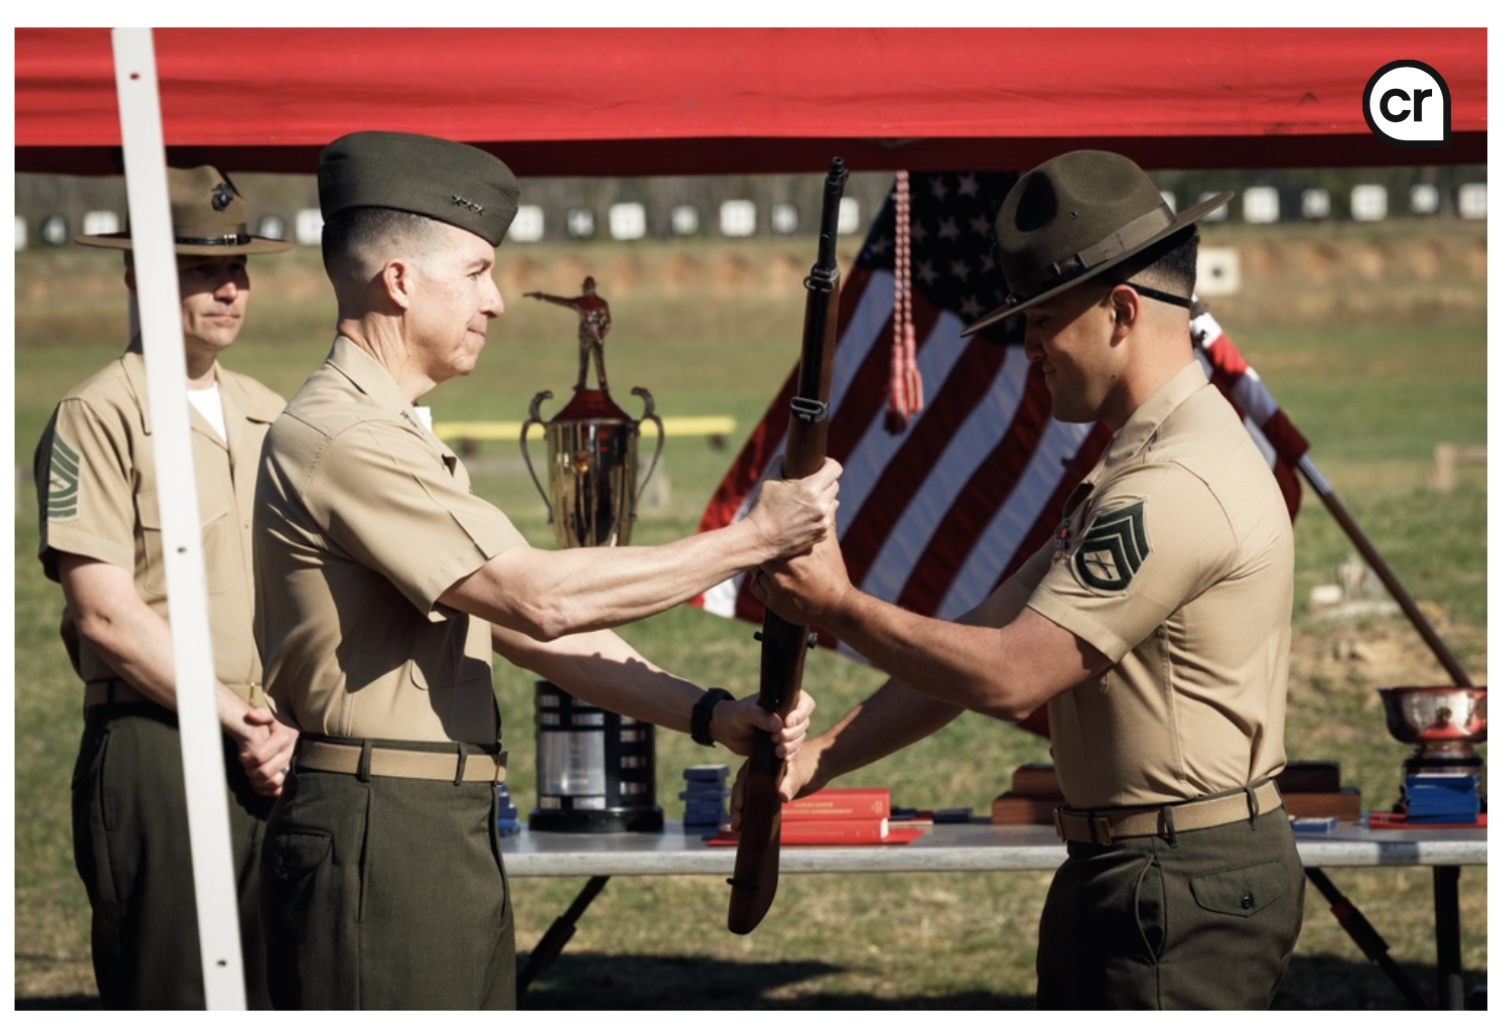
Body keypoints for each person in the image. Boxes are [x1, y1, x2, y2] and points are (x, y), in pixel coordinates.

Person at [253, 130, 840, 1011]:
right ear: (400, 280)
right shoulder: (350, 436)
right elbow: (536, 597)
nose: (494, 300)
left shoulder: (391, 428)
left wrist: (714, 714)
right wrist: (749, 540)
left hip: (424, 820)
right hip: (383, 828)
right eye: (476, 270)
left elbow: (522, 629)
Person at [750, 150, 1304, 1010]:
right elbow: (980, 636)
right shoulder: (1143, 461)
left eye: (1045, 317)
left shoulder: (1171, 483)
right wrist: (821, 756)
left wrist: (840, 606)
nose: (1030, 344)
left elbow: (1012, 670)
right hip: (1140, 871)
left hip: (1176, 889)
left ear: (1122, 310)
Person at [33, 165, 299, 1009]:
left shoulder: (273, 413)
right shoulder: (98, 412)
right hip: (159, 743)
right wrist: (240, 719)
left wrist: (276, 728)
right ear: (139, 275)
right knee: (175, 989)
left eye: (238, 269)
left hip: (277, 751)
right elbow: (106, 616)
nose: (228, 290)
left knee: (280, 985)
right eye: (198, 270)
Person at [525, 275, 612, 391]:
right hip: (585, 335)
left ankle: (603, 384)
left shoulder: (601, 303)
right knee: (584, 361)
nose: (586, 289)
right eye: (585, 287)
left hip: (596, 335)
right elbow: (563, 301)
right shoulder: (580, 302)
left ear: (593, 288)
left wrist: (601, 333)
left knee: (599, 361)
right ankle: (582, 383)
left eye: (588, 287)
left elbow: (607, 322)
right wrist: (544, 296)